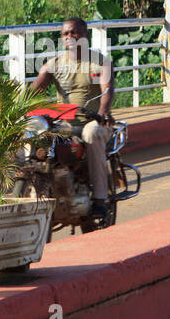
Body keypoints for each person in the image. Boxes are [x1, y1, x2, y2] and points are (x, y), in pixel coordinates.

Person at [31, 17, 114, 221]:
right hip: (64, 123)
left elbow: (107, 90)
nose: (70, 37)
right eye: (65, 34)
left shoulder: (99, 62)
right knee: (37, 137)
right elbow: (34, 89)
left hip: (93, 121)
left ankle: (101, 200)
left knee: (92, 133)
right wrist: (14, 107)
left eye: (74, 33)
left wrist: (103, 111)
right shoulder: (55, 64)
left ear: (85, 36)